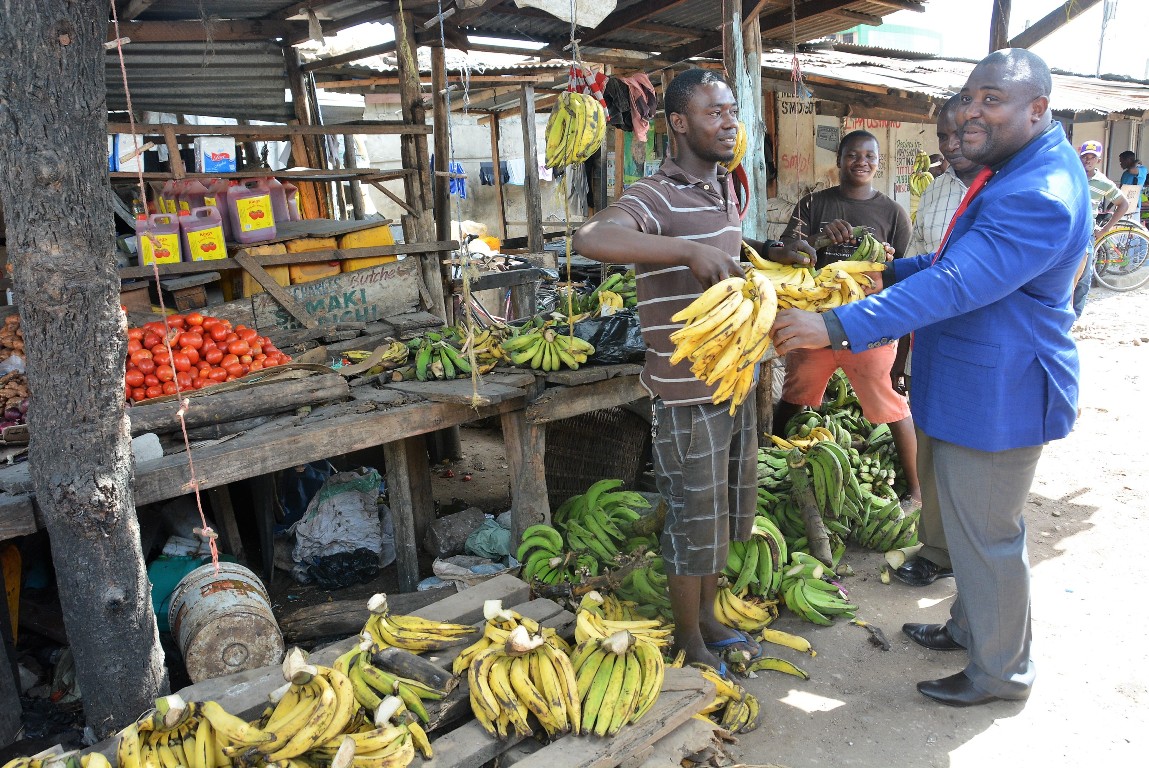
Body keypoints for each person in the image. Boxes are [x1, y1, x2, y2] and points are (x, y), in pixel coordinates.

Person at [770, 48, 1088, 707]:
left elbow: (959, 282)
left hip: (1000, 393)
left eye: (991, 99)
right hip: (969, 383)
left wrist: (835, 326)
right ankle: (969, 628)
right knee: (966, 533)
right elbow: (950, 259)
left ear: (1037, 108)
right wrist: (881, 275)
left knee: (988, 538)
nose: (973, 111)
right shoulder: (1015, 166)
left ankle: (1000, 673)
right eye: (969, 95)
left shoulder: (1038, 193)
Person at [571, 68, 815, 673]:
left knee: (728, 513)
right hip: (686, 397)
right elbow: (591, 237)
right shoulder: (655, 193)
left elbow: (722, 247)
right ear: (678, 123)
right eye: (714, 113)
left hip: (735, 384)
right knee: (691, 518)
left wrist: (765, 253)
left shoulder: (724, 187)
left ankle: (709, 617)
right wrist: (684, 251)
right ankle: (690, 640)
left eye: (732, 111)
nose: (730, 122)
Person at [773, 130, 920, 505]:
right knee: (794, 398)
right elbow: (788, 256)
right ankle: (775, 473)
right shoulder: (812, 205)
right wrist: (818, 241)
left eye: (869, 156)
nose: (862, 162)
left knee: (890, 405)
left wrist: (887, 261)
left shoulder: (892, 213)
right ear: (838, 160)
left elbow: (902, 276)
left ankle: (918, 492)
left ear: (878, 163)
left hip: (870, 326)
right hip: (816, 322)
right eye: (853, 155)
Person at [893, 95, 988, 588]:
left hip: (980, 351)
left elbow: (951, 279)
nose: (952, 146)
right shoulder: (934, 194)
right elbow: (925, 265)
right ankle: (936, 551)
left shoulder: (1005, 193)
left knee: (969, 467)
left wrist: (845, 324)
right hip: (931, 339)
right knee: (931, 449)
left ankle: (968, 569)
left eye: (962, 135)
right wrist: (884, 273)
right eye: (943, 137)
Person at [1075, 140, 1129, 318]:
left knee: (1083, 276)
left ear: (1098, 160)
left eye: (1092, 158)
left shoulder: (1103, 182)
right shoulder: (1072, 174)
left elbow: (1123, 204)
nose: (1087, 161)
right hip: (1066, 231)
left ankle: (1075, 315)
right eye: (1084, 157)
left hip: (1086, 233)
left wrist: (1105, 229)